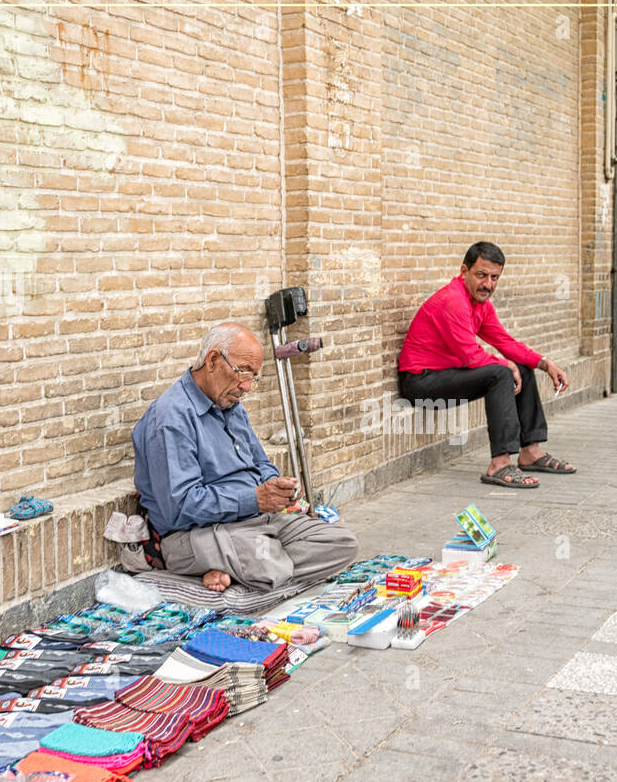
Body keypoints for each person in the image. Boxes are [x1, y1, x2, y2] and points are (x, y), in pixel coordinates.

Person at [132, 322, 358, 593]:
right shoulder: (171, 418)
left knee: (341, 543)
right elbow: (180, 508)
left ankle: (236, 570)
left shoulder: (231, 405)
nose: (248, 387)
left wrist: (276, 486)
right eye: (243, 372)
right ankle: (250, 569)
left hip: (254, 520)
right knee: (266, 567)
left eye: (254, 377)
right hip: (198, 533)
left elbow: (260, 463)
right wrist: (254, 499)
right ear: (213, 360)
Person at [398, 242, 572, 489]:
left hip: (447, 374)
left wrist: (545, 363)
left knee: (521, 368)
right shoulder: (453, 301)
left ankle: (531, 452)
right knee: (502, 373)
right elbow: (471, 356)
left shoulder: (481, 305)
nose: (488, 284)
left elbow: (505, 341)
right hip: (421, 382)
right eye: (481, 275)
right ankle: (499, 464)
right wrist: (505, 365)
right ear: (464, 271)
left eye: (494, 277)